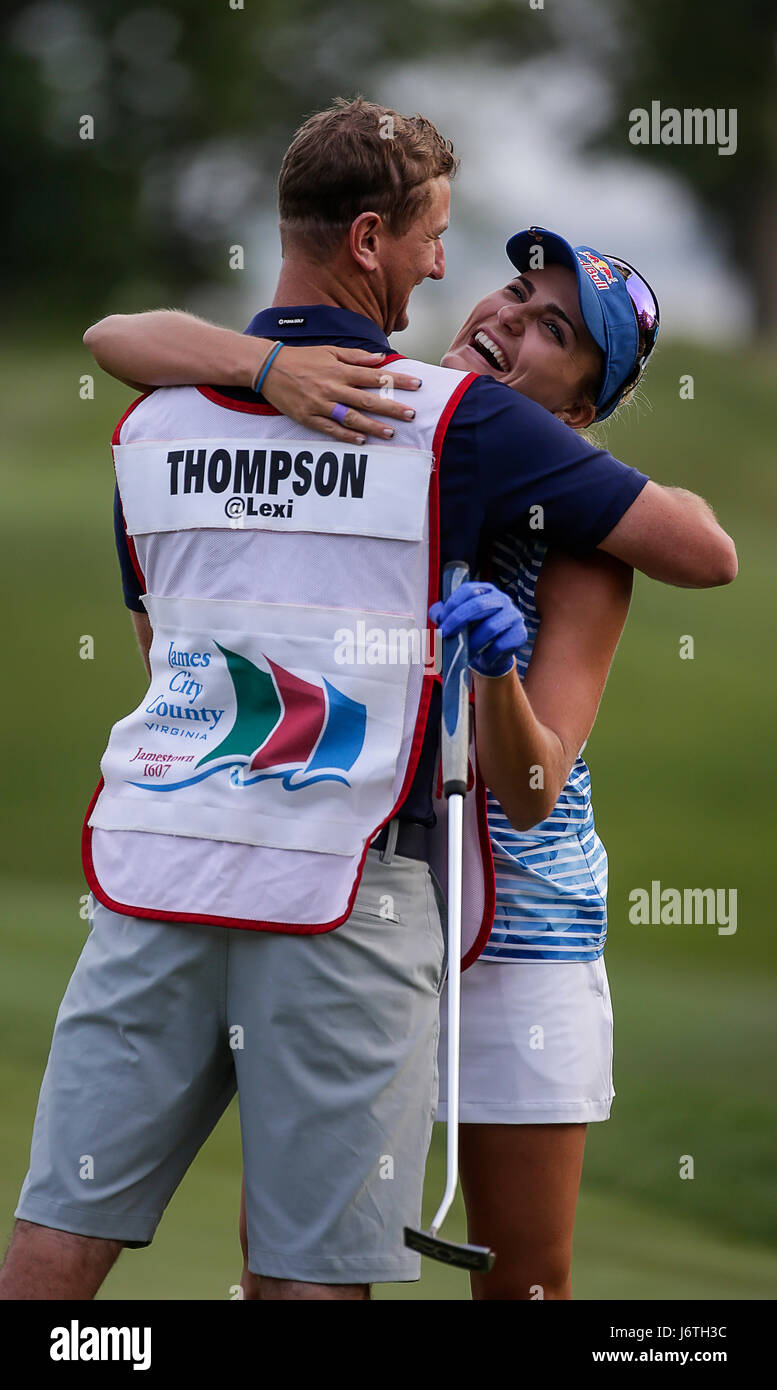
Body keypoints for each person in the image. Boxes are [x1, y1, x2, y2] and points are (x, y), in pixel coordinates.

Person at [1, 98, 735, 1305]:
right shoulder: (423, 416)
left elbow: (559, 752)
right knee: (289, 1265)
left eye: (555, 328)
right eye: (510, 285)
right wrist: (269, 364)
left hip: (513, 905)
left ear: (584, 408)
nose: (489, 299)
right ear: (373, 241)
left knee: (523, 1281)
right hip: (352, 878)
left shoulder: (500, 456)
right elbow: (120, 333)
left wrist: (489, 662)